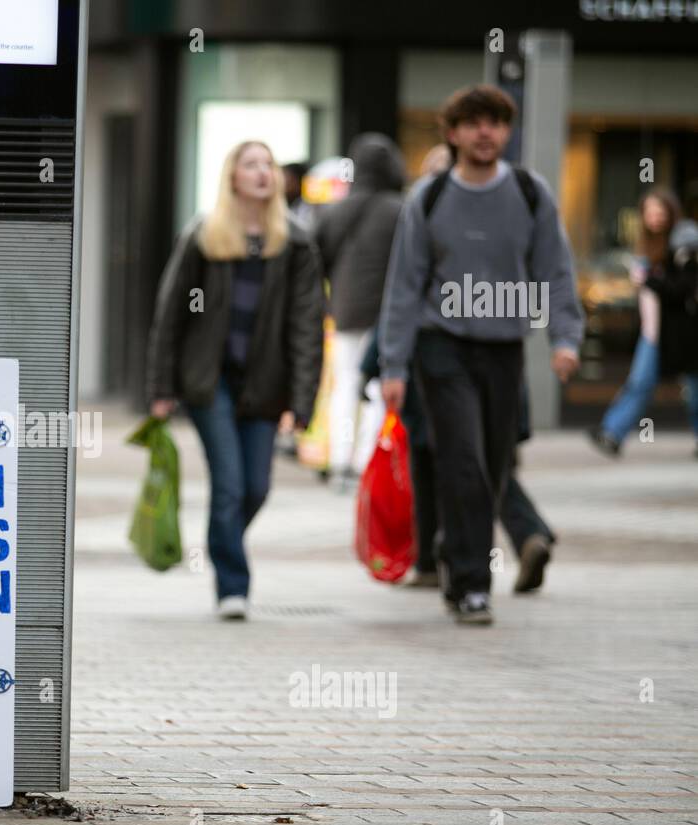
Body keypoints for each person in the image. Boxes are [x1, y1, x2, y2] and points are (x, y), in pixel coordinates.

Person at [378, 85, 584, 626]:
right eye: (472, 124)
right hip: (441, 344)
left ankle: (452, 551)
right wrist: (394, 365)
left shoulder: (529, 192)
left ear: (506, 131)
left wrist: (565, 338)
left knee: (493, 465)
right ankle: (472, 584)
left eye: (494, 122)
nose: (484, 132)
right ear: (453, 133)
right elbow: (404, 286)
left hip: (503, 347)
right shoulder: (430, 197)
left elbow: (555, 270)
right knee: (462, 460)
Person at [147, 140, 324, 620]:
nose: (263, 173)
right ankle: (233, 585)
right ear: (233, 177)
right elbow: (172, 313)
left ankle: (220, 540)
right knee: (229, 483)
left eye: (268, 164)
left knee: (256, 488)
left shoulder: (295, 242)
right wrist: (162, 388)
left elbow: (307, 325)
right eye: (252, 165)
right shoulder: (205, 236)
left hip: (266, 384)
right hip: (209, 381)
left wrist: (303, 402)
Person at [315, 133, 404, 491]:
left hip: (346, 311)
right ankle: (366, 460)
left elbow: (314, 260)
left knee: (346, 387)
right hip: (387, 315)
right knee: (378, 389)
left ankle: (340, 459)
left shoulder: (335, 210)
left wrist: (326, 306)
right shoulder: (401, 210)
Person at [588, 189, 698, 457]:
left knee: (695, 388)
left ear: (670, 211)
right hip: (655, 332)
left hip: (688, 331)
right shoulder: (647, 247)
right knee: (640, 381)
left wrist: (648, 279)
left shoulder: (684, 242)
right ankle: (612, 433)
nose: (654, 217)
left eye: (659, 211)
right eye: (649, 212)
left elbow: (682, 288)